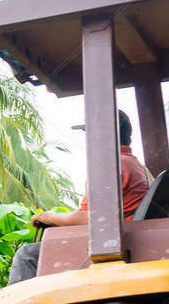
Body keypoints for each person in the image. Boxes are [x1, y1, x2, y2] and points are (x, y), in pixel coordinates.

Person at [8, 110, 153, 284]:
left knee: (27, 255)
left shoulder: (112, 167)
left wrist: (47, 217)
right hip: (125, 236)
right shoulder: (136, 165)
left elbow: (86, 218)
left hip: (112, 243)